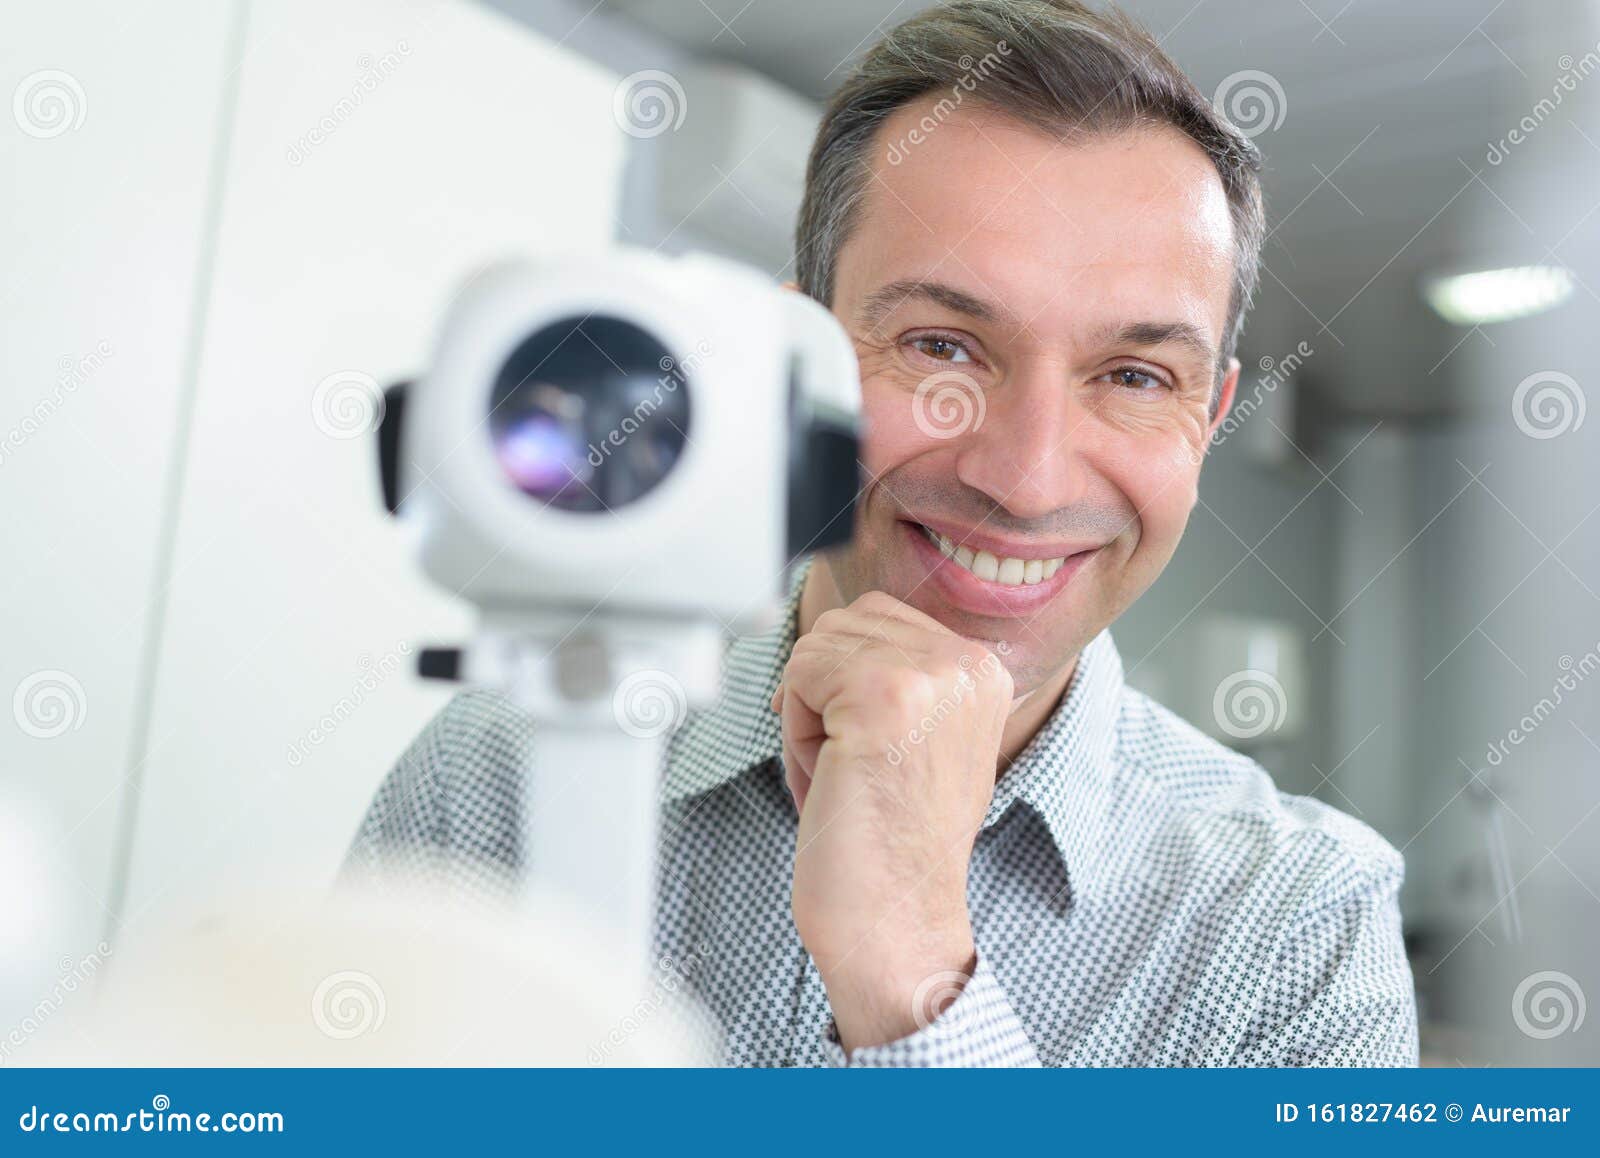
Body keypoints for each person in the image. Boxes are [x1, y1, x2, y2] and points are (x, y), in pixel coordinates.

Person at [346, 0, 1418, 1067]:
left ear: (1209, 417)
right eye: (942, 347)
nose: (1027, 478)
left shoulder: (1301, 929)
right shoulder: (496, 771)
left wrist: (915, 979)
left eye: (1134, 376)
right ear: (795, 363)